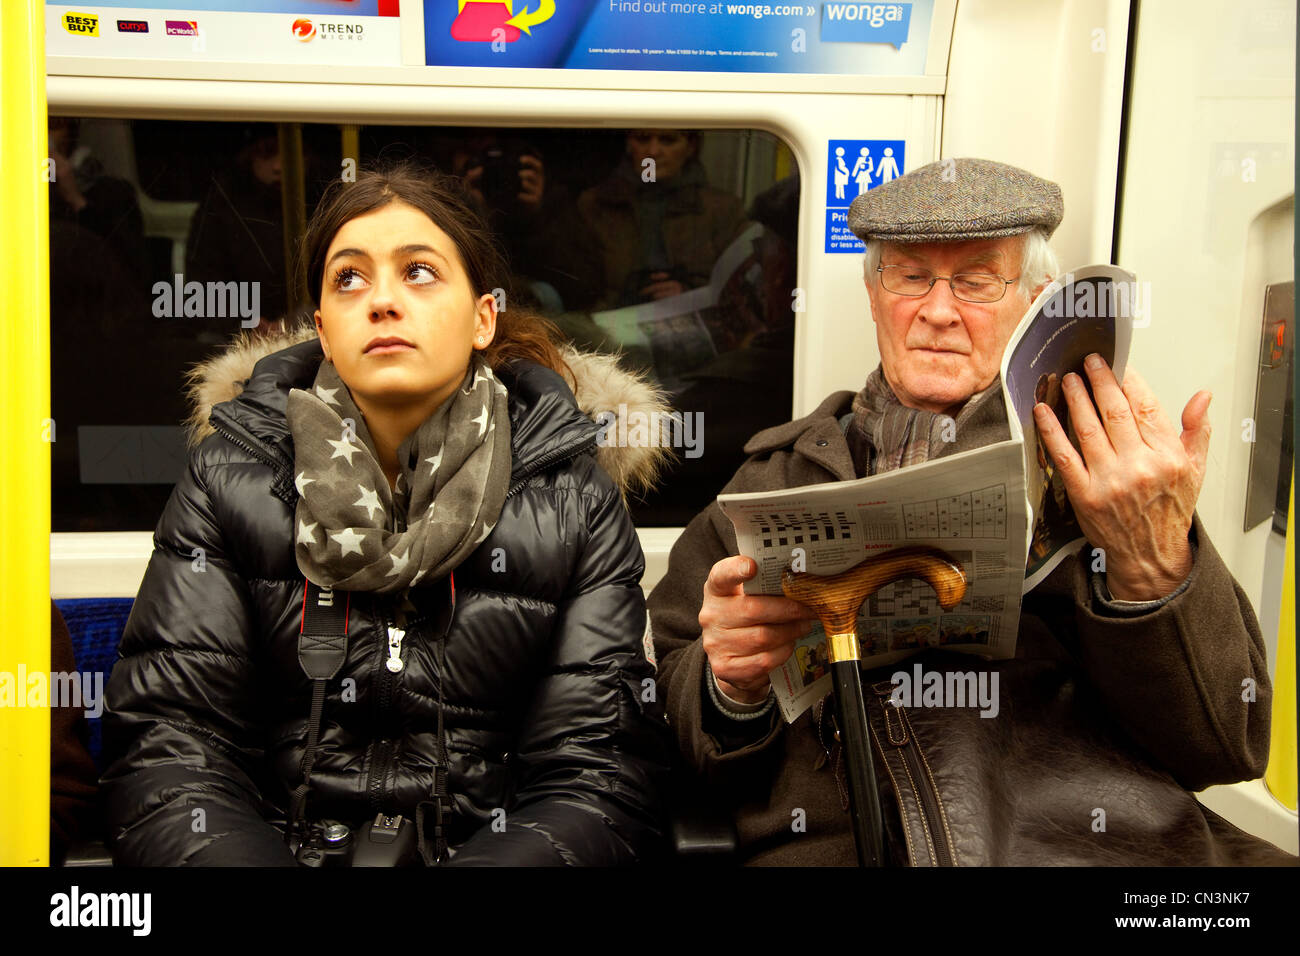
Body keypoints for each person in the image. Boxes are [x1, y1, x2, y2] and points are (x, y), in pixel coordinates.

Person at [650, 158, 1293, 865]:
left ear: (1039, 303)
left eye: (978, 281)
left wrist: (1153, 563)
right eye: (909, 275)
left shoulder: (1110, 479)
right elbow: (676, 732)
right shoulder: (769, 482)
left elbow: (1227, 744)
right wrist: (729, 684)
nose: (938, 309)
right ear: (873, 295)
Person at [102, 163, 671, 866]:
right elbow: (170, 753)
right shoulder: (229, 480)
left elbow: (601, 772)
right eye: (349, 279)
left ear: (482, 318)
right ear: (322, 330)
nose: (381, 302)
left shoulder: (572, 499)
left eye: (420, 273)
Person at [576, 129, 749, 310]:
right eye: (642, 139)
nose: (653, 152)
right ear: (628, 144)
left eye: (668, 140)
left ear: (691, 147)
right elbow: (577, 287)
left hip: (696, 324)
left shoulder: (722, 210)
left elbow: (740, 289)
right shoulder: (594, 205)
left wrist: (689, 295)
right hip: (610, 326)